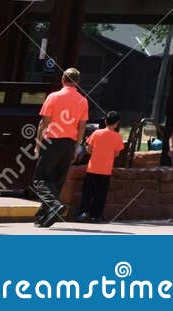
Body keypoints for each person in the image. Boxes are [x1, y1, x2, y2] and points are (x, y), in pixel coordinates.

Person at [32, 67, 89, 227]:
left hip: (52, 142)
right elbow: (82, 126)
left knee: (40, 179)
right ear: (77, 82)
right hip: (69, 144)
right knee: (56, 181)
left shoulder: (53, 97)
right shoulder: (83, 101)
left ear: (62, 79)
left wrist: (37, 144)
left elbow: (44, 123)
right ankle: (43, 217)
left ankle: (54, 205)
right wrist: (77, 147)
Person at [77, 112, 124, 223]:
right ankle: (96, 216)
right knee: (101, 194)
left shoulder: (96, 133)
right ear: (117, 123)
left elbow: (89, 149)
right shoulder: (118, 137)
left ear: (105, 121)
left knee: (87, 192)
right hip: (106, 170)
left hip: (92, 168)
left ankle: (83, 213)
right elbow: (117, 154)